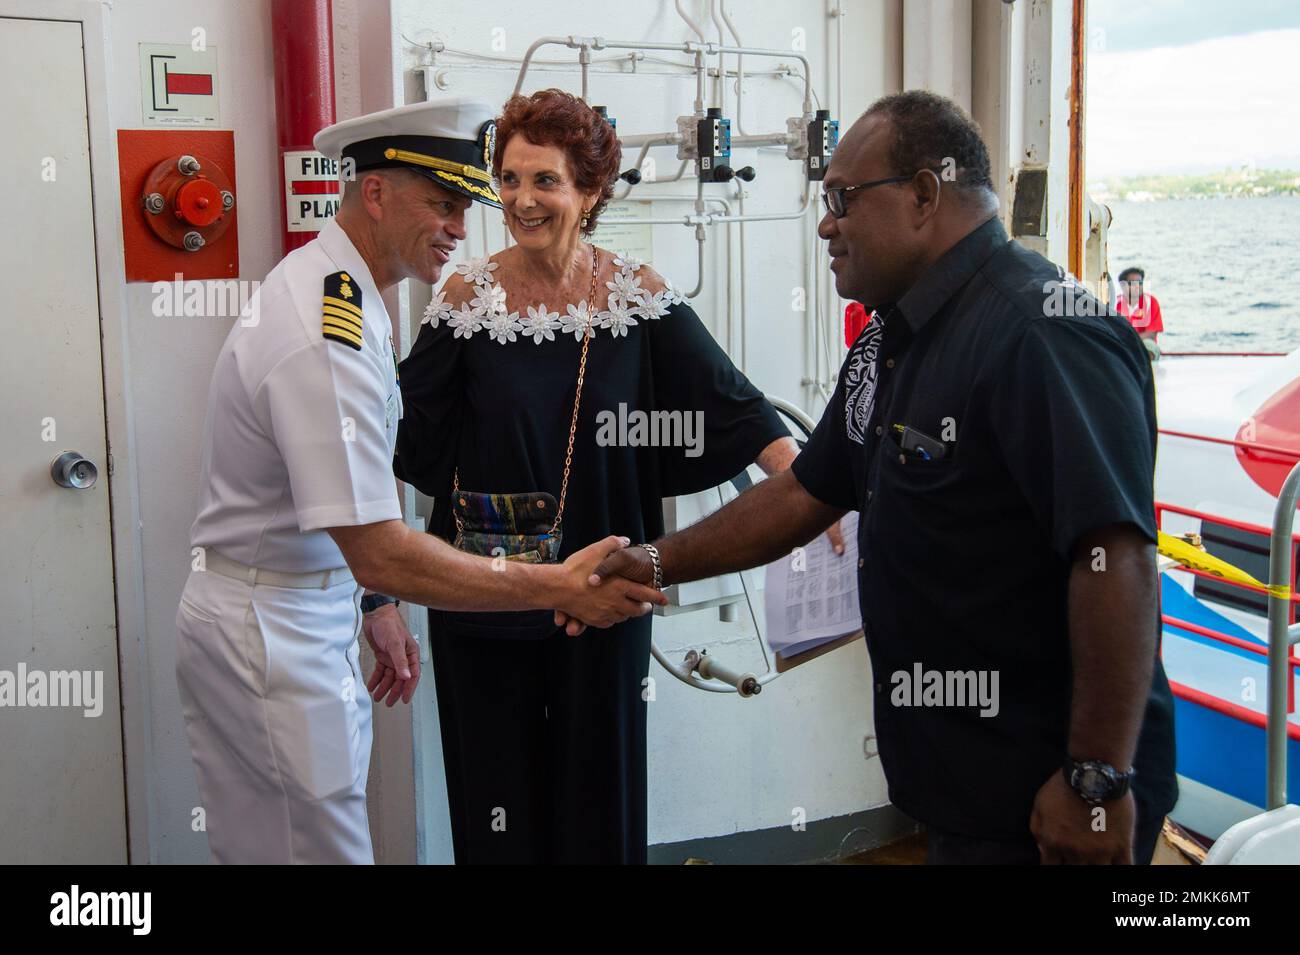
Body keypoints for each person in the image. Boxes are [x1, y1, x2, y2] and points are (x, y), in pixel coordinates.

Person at [583, 90, 1178, 865]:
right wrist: (656, 559)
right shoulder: (887, 342)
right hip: (957, 786)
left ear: (925, 194)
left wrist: (1094, 779)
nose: (826, 223)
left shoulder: (1042, 334)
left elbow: (1116, 557)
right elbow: (806, 491)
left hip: (1045, 798)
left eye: (841, 199)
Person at [174, 97, 664, 865]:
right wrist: (554, 585)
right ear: (377, 193)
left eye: (469, 205)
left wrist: (370, 603)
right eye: (443, 203)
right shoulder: (324, 332)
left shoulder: (348, 298)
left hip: (295, 609)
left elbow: (350, 498)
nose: (463, 227)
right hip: (276, 629)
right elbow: (381, 550)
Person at [393, 89, 833, 864]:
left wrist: (818, 494)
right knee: (497, 801)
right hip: (488, 596)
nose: (521, 200)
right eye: (510, 179)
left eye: (545, 181)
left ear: (591, 192)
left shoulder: (636, 296)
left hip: (604, 593)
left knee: (600, 797)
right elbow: (402, 432)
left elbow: (735, 407)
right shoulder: (465, 298)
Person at [1115, 267, 1163, 343]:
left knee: (1149, 344)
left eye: (1140, 283)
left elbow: (1151, 334)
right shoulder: (1114, 303)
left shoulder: (1150, 302)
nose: (1138, 286)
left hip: (1142, 346)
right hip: (1121, 346)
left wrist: (1128, 342)